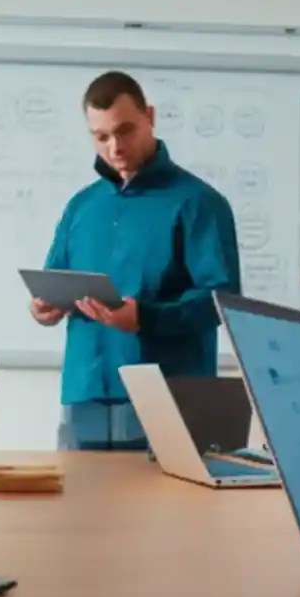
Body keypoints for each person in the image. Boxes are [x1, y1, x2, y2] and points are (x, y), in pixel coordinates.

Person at [30, 71, 241, 451]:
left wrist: (147, 318)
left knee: (172, 512)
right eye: (101, 137)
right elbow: (54, 280)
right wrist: (43, 307)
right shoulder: (81, 206)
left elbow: (223, 299)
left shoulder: (199, 203)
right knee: (81, 509)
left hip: (172, 396)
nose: (115, 147)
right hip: (86, 393)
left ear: (151, 117)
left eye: (125, 131)